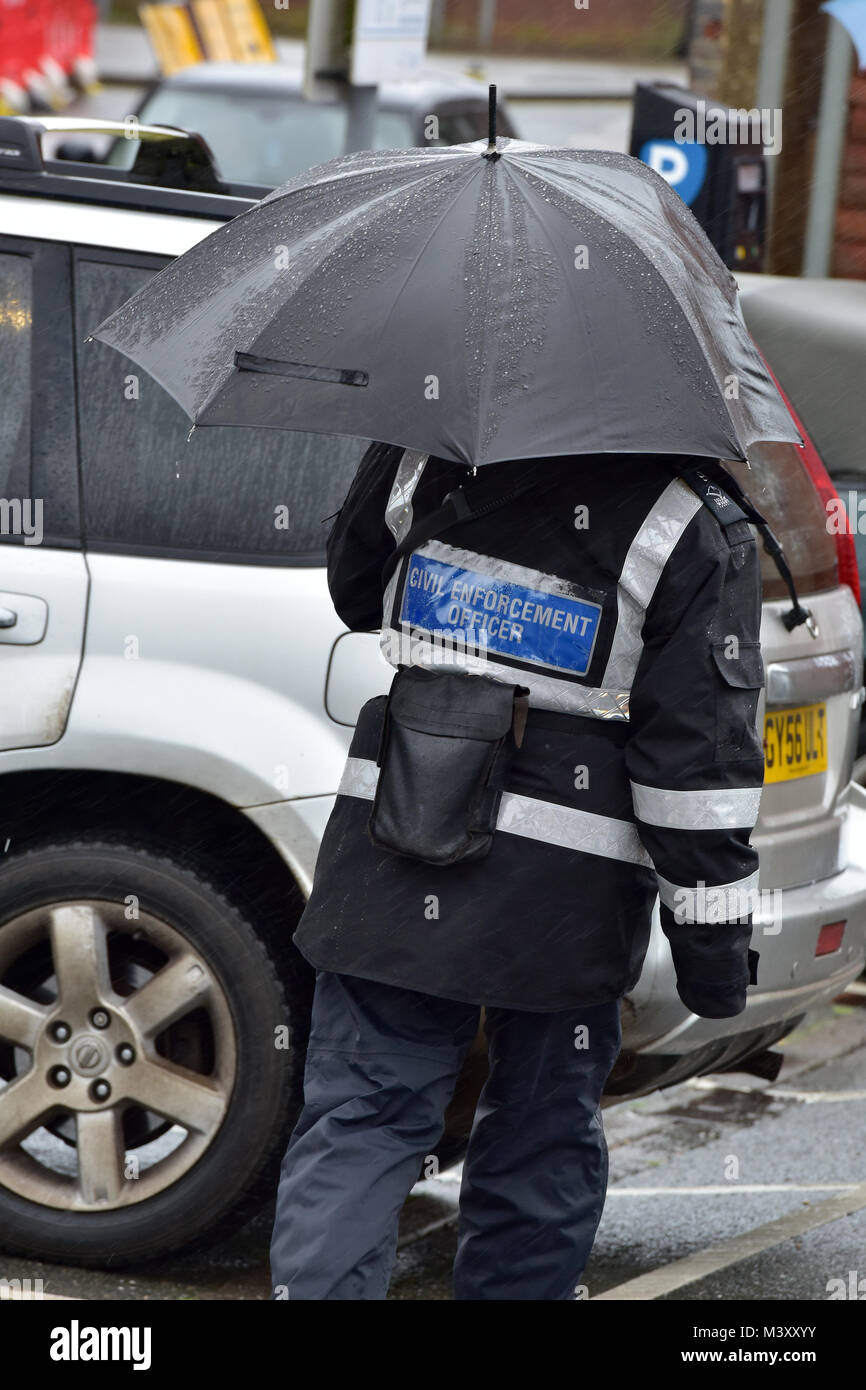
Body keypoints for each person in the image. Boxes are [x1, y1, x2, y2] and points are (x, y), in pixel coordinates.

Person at [269, 441, 764, 1301]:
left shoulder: (428, 449)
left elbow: (356, 592)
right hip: (563, 906)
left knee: (361, 1121)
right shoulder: (686, 518)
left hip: (395, 853)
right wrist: (714, 959)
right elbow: (696, 772)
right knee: (539, 1135)